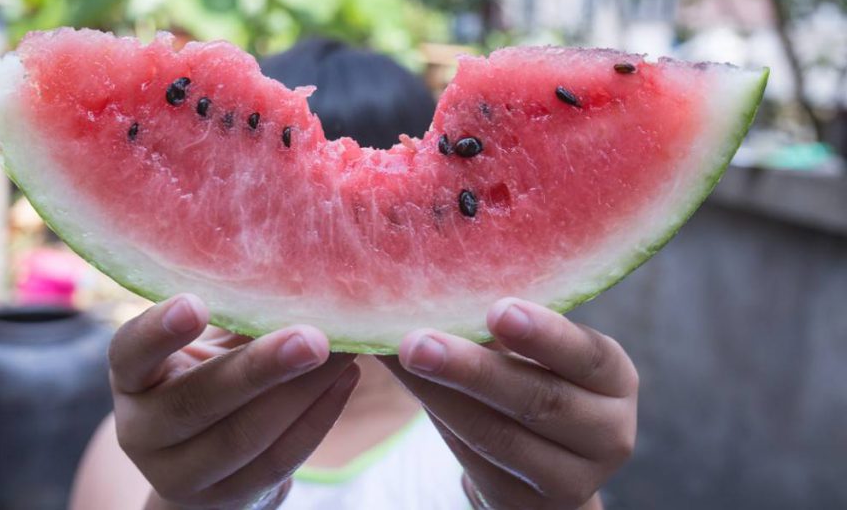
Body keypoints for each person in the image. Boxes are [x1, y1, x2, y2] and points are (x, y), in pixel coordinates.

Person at [70, 38, 638, 510]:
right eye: (291, 200)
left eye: (402, 209)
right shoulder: (152, 453)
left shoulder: (518, 453)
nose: (353, 237)